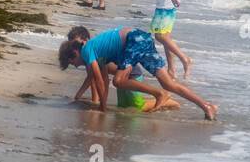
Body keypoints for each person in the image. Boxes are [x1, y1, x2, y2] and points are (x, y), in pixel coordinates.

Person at [58, 25, 217, 119]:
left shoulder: (87, 50)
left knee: (118, 81)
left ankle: (159, 94)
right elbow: (102, 81)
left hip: (132, 39)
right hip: (142, 38)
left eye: (73, 64)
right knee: (168, 83)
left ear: (74, 53)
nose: (77, 66)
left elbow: (98, 80)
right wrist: (102, 106)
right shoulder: (97, 52)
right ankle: (206, 106)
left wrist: (102, 109)